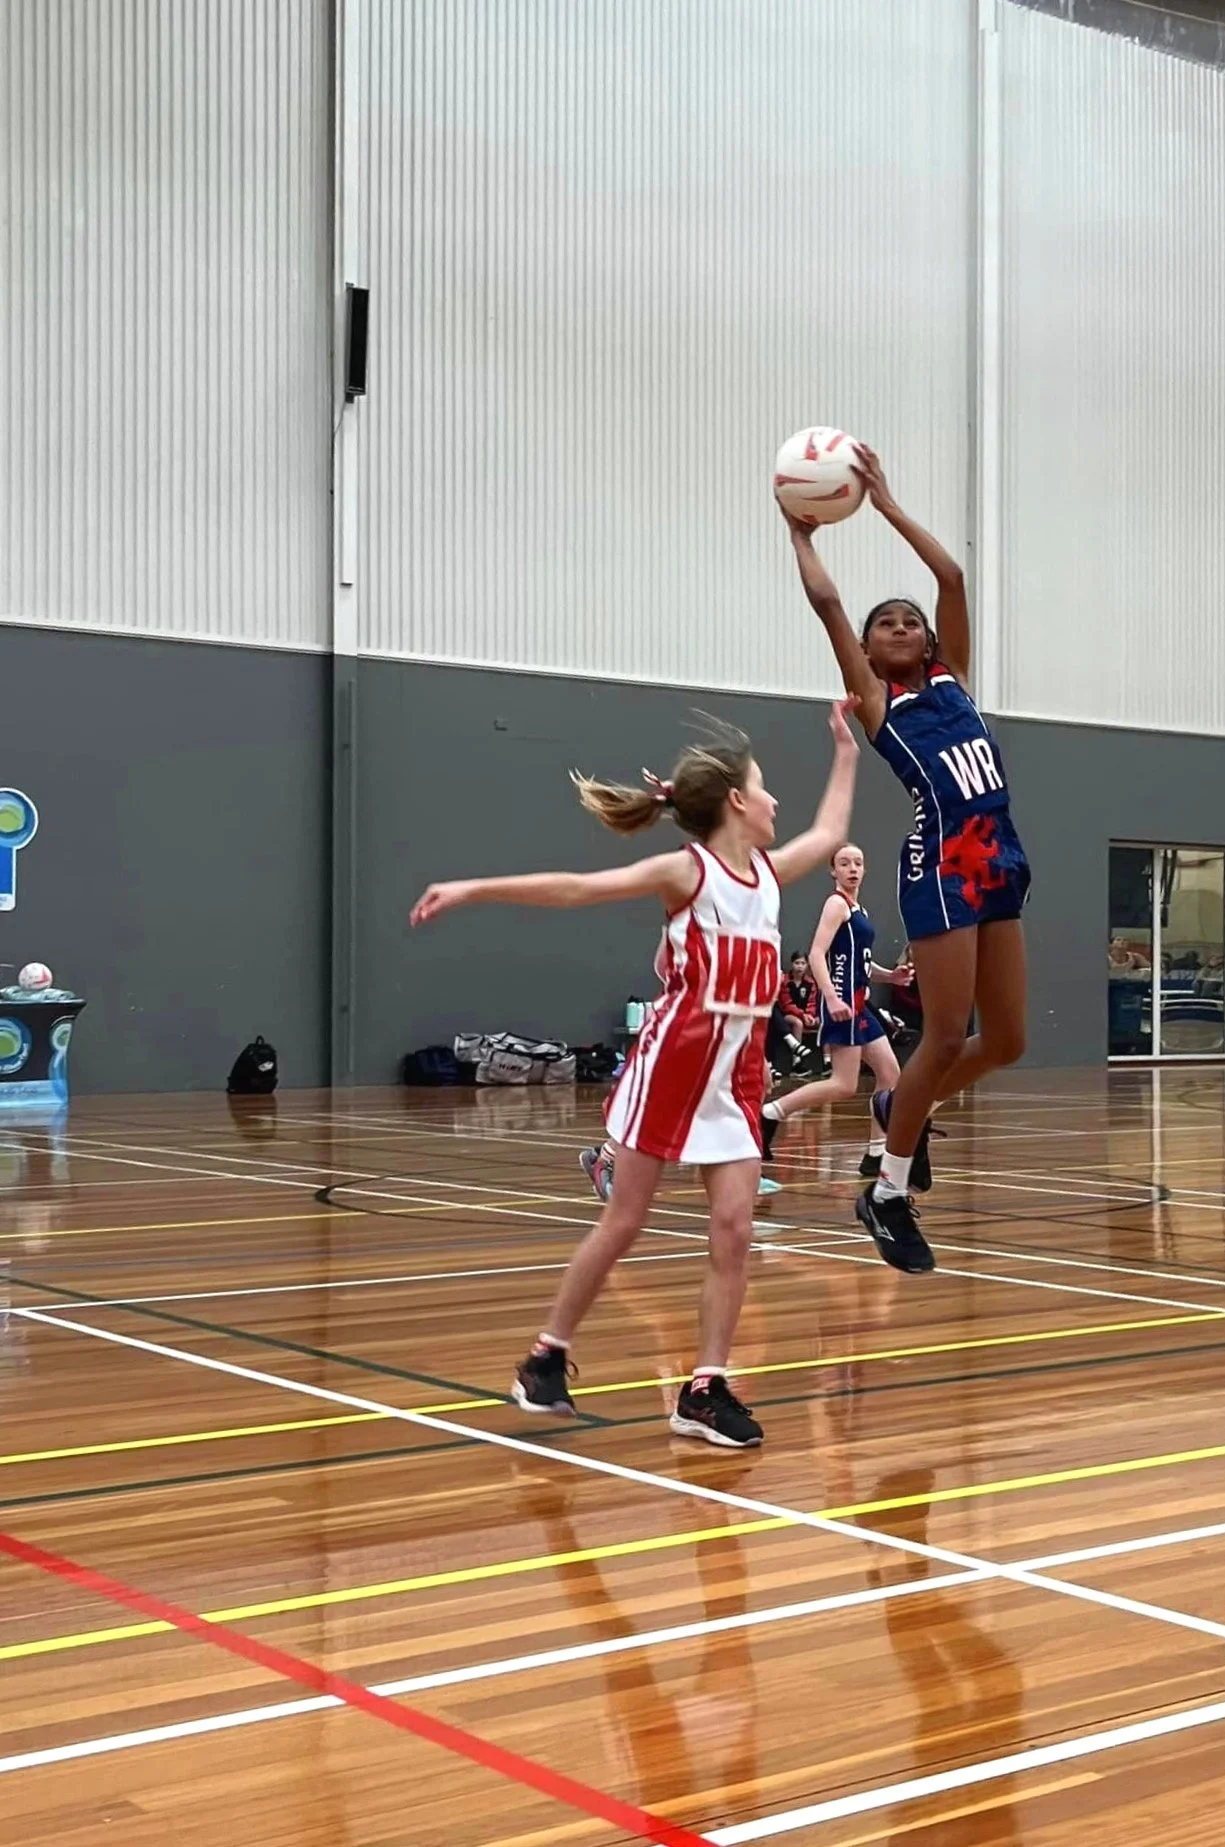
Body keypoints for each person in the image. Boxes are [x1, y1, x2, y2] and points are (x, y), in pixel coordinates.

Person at [409, 700, 860, 1447]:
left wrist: (845, 748)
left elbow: (830, 830)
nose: (778, 800)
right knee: (625, 1221)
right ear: (738, 804)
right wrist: (474, 888)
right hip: (671, 1067)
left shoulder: (772, 877)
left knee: (736, 1229)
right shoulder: (687, 872)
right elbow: (578, 889)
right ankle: (544, 1357)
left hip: (735, 1080)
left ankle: (705, 1389)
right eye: (766, 786)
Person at [783, 444, 1029, 1275]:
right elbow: (827, 605)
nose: (903, 625)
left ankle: (897, 1104)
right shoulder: (883, 707)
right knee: (947, 1032)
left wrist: (886, 503)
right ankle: (888, 1188)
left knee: (1008, 1042)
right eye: (886, 623)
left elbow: (952, 578)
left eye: (910, 620)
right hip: (941, 863)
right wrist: (801, 534)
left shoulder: (953, 678)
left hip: (1000, 855)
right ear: (870, 651)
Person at [760, 842, 913, 1180]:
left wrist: (892, 976)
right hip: (842, 1007)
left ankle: (875, 1153)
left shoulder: (861, 912)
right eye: (844, 863)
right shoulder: (836, 904)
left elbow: (863, 964)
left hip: (859, 1005)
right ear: (833, 871)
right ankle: (771, 1113)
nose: (852, 868)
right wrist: (830, 998)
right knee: (844, 1085)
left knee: (890, 1074)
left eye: (858, 862)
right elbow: (817, 955)